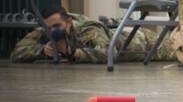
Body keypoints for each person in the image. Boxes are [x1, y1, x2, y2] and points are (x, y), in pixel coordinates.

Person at [9, 4, 170, 64]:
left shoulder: (88, 29)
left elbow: (109, 53)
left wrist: (73, 53)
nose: (52, 31)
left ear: (69, 22)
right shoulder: (47, 29)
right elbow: (16, 53)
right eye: (47, 28)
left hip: (148, 43)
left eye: (57, 26)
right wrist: (42, 51)